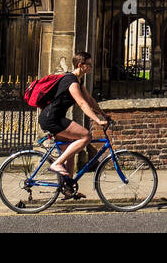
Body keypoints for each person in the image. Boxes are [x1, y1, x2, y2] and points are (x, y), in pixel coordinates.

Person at [37, 51, 112, 198]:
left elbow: (89, 99)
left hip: (55, 118)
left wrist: (102, 113)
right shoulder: (70, 80)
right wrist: (97, 120)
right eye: (89, 64)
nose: (91, 67)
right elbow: (82, 103)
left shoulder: (79, 80)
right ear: (80, 65)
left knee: (70, 153)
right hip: (52, 119)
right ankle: (56, 164)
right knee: (86, 136)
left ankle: (68, 189)